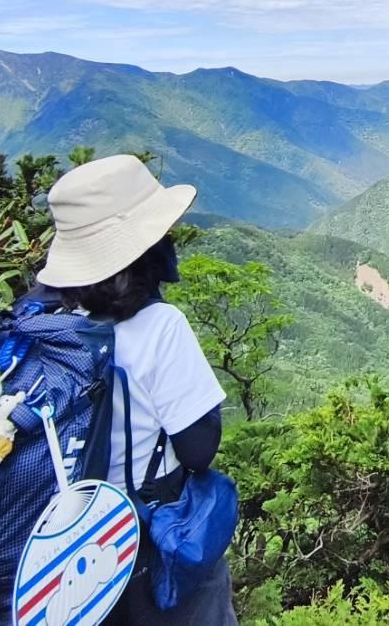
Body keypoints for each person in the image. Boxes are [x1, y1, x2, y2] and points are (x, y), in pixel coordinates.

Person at [35, 154, 238, 626]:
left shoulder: (51, 328)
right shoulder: (159, 326)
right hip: (142, 542)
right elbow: (199, 449)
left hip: (67, 552)